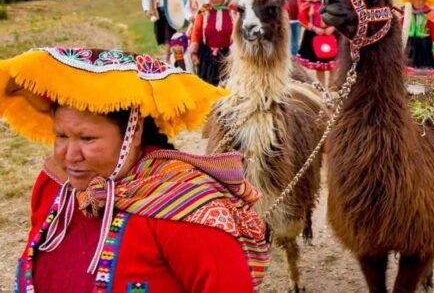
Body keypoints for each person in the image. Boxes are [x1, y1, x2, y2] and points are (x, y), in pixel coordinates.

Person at [1, 47, 268, 292]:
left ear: (134, 132)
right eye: (61, 136)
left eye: (87, 139)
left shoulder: (184, 207)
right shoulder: (55, 187)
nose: (69, 156)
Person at [189, 0, 235, 86]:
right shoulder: (204, 13)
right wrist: (194, 54)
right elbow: (196, 34)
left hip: (229, 57)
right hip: (208, 58)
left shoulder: (232, 12)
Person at [296, 0, 338, 88]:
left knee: (333, 62)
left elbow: (339, 16)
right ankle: (323, 87)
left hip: (332, 33)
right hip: (314, 35)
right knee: (320, 64)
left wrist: (333, 27)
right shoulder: (308, 0)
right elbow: (301, 18)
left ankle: (333, 85)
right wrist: (315, 28)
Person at [402, 0, 434, 75]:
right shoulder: (405, 12)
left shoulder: (430, 13)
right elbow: (400, 28)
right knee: (407, 70)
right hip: (409, 45)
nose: (420, 2)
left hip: (425, 45)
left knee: (425, 71)